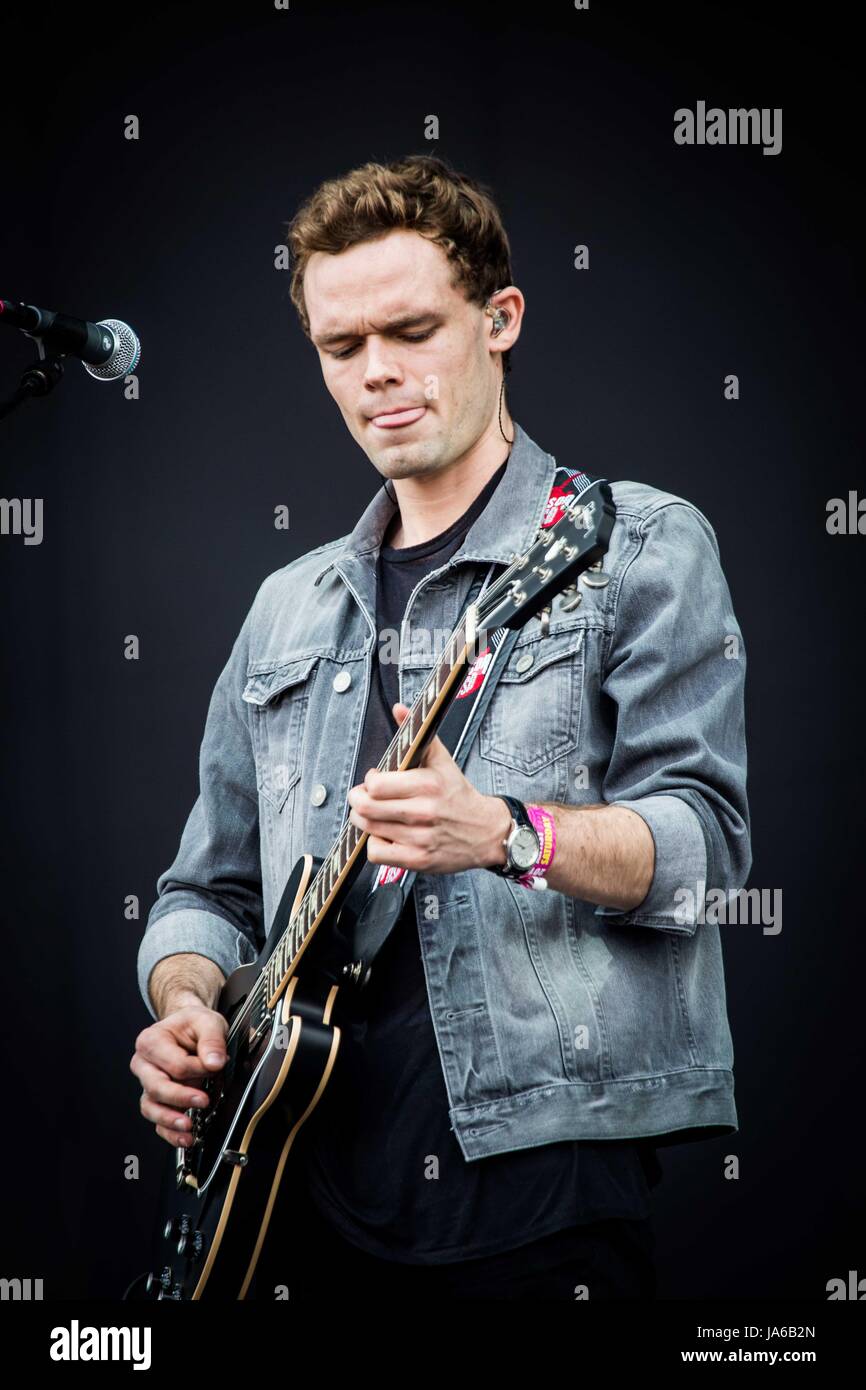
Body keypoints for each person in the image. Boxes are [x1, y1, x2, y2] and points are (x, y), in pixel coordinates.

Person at [130, 154, 751, 1301]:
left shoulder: (636, 548)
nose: (378, 374)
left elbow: (706, 860)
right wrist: (182, 1009)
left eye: (411, 330)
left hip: (535, 1187)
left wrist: (510, 833)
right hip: (287, 1187)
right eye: (342, 347)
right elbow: (200, 895)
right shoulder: (286, 608)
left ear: (500, 318)